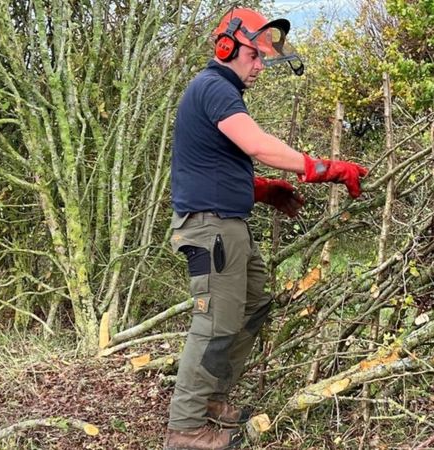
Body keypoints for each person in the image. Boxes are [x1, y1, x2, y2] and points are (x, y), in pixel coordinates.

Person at [164, 7, 368, 450]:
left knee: (254, 304)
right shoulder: (215, 88)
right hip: (211, 229)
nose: (259, 67)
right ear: (227, 47)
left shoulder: (216, 94)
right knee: (214, 324)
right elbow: (258, 145)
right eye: (255, 57)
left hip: (227, 224)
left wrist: (258, 190)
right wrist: (324, 168)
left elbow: (209, 163)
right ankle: (184, 430)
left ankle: (211, 399)